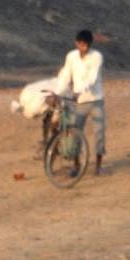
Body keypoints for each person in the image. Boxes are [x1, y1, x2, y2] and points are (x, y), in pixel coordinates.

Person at [55, 29, 106, 174]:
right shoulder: (71, 56)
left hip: (96, 99)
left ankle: (98, 165)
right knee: (75, 133)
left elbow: (92, 78)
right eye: (80, 44)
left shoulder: (96, 57)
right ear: (76, 43)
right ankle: (76, 165)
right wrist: (58, 92)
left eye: (86, 45)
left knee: (99, 133)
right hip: (79, 101)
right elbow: (65, 74)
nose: (83, 47)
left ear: (90, 45)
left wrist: (79, 90)